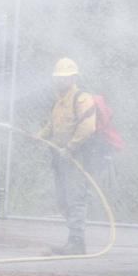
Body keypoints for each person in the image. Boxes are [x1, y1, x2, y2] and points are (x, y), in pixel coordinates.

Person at [37, 57, 98, 255]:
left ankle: (77, 243)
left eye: (65, 78)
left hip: (76, 156)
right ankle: (72, 241)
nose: (61, 81)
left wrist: (70, 147)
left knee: (75, 198)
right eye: (58, 78)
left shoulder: (81, 98)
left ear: (73, 78)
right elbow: (52, 125)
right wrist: (39, 137)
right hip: (60, 156)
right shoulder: (59, 101)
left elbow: (88, 127)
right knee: (63, 199)